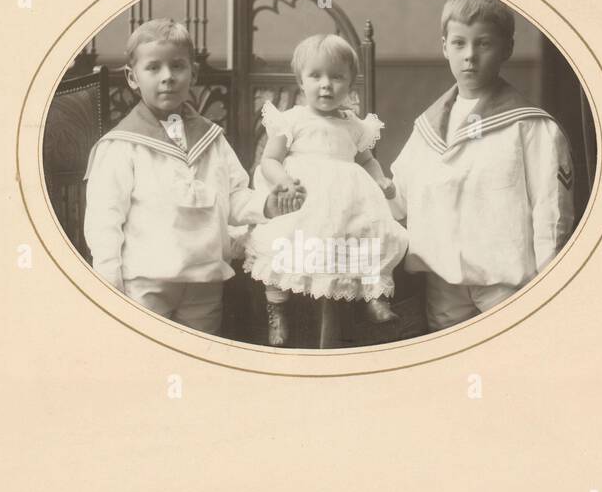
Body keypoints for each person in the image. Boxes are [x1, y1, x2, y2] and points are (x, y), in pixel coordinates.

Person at [83, 19, 302, 335]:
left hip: (204, 277)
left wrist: (269, 205)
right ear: (132, 77)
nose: (168, 77)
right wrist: (109, 284)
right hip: (145, 279)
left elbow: (236, 197)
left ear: (194, 74)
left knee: (199, 355)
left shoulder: (211, 138)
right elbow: (105, 220)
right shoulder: (123, 145)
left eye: (177, 66)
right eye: (154, 68)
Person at [389, 0, 575, 331]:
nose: (470, 56)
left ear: (507, 49)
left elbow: (552, 214)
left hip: (508, 283)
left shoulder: (530, 127)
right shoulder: (428, 128)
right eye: (459, 44)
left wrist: (549, 285)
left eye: (484, 44)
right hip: (443, 280)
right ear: (444, 47)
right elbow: (397, 196)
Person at [243, 33, 408, 346]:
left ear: (350, 83)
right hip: (304, 197)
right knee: (282, 241)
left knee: (372, 233)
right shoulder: (291, 120)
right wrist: (283, 182)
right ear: (301, 81)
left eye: (337, 77)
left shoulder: (355, 125)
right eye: (315, 76)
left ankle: (373, 295)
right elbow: (270, 160)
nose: (326, 85)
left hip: (347, 199)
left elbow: (368, 160)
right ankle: (276, 308)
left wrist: (381, 179)